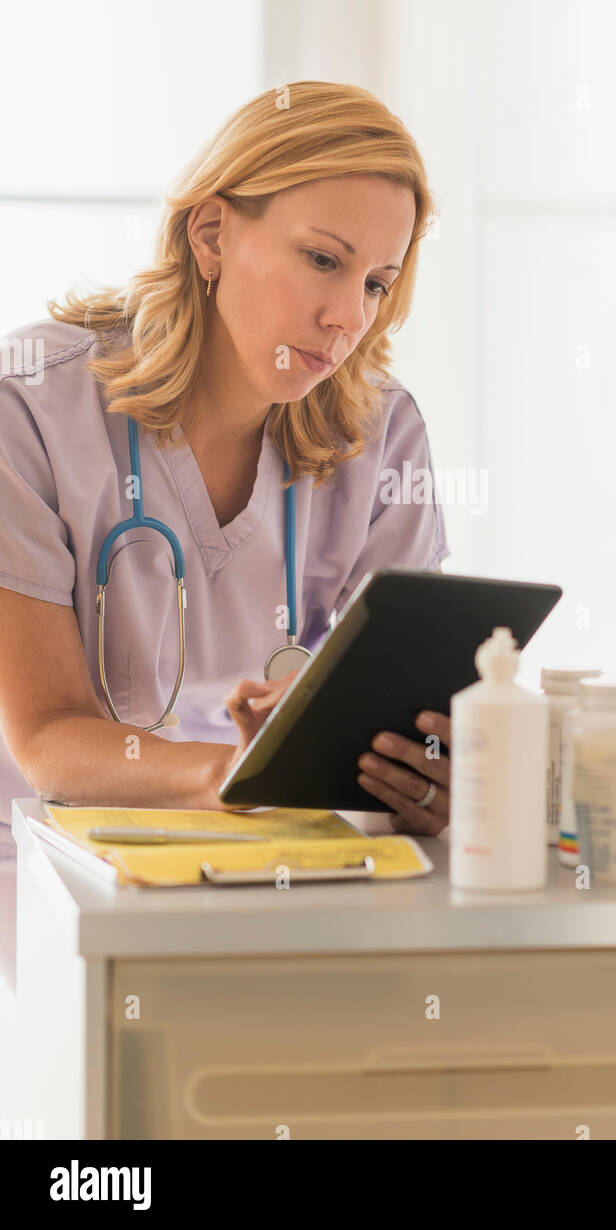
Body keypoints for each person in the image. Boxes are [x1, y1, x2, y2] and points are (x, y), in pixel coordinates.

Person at [0, 81, 454, 981]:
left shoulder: (382, 431)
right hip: (53, 884)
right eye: (322, 260)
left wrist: (427, 773)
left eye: (376, 282)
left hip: (286, 878)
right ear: (210, 235)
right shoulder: (33, 405)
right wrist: (234, 768)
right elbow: (48, 737)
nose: (349, 317)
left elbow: (396, 710)